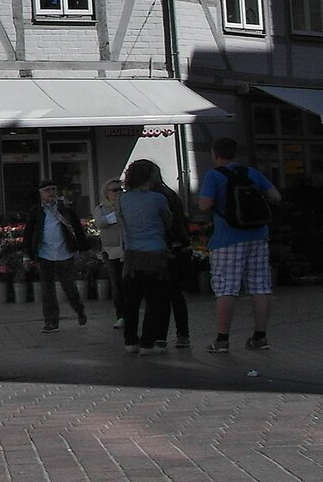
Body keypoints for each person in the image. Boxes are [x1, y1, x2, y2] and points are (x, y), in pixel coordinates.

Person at [194, 136, 283, 353]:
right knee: (260, 286)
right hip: (258, 235)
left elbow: (205, 205)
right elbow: (276, 197)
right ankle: (260, 337)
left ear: (214, 154)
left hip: (227, 239)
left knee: (226, 289)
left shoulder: (214, 176)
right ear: (235, 153)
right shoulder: (250, 172)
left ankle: (222, 340)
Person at [118, 159, 177, 355]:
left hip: (132, 255)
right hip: (155, 254)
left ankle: (130, 340)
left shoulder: (122, 199)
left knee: (132, 301)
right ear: (151, 176)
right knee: (155, 301)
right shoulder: (158, 199)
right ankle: (147, 342)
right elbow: (169, 222)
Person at [26, 178, 90, 333]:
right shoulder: (36, 211)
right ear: (40, 193)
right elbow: (28, 234)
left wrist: (83, 250)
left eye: (53, 189)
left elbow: (77, 229)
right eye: (46, 190)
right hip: (44, 254)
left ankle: (79, 310)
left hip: (64, 253)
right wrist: (27, 255)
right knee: (47, 291)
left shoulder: (65, 208)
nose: (50, 193)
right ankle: (51, 322)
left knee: (69, 287)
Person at [151, 174, 193, 349]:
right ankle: (181, 334)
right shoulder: (168, 193)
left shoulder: (157, 196)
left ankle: (161, 335)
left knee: (163, 294)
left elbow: (169, 223)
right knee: (174, 293)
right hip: (175, 247)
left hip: (165, 248)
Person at [94, 179, 128, 329]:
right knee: (116, 284)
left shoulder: (127, 206)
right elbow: (99, 223)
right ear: (106, 193)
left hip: (127, 249)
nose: (118, 193)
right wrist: (113, 216)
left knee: (129, 282)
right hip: (110, 250)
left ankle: (130, 313)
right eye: (114, 190)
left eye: (120, 189)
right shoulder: (101, 208)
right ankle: (121, 315)